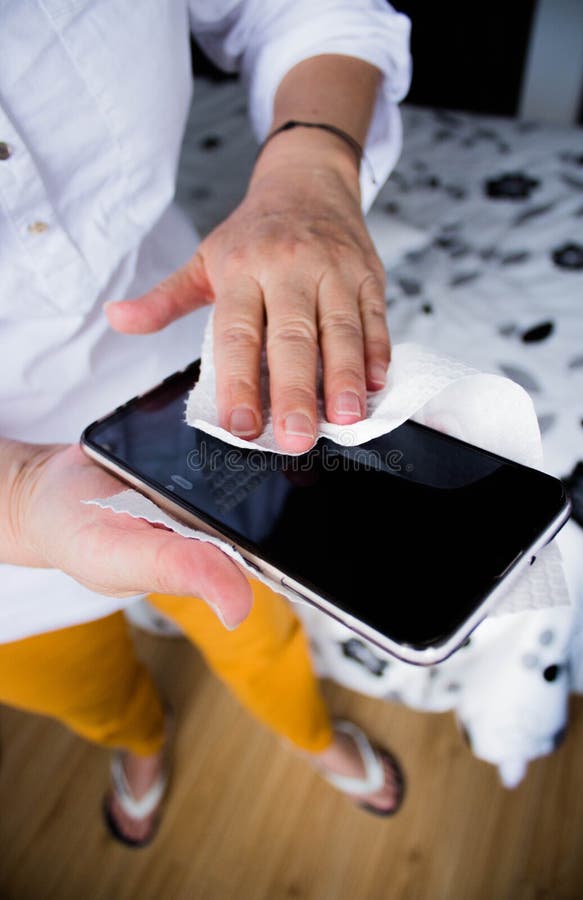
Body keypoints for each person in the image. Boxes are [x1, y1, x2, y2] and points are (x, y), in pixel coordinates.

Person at [0, 1, 412, 845]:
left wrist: (312, 162)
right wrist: (18, 493)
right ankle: (141, 742)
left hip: (184, 400)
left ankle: (309, 735)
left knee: (259, 633)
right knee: (80, 689)